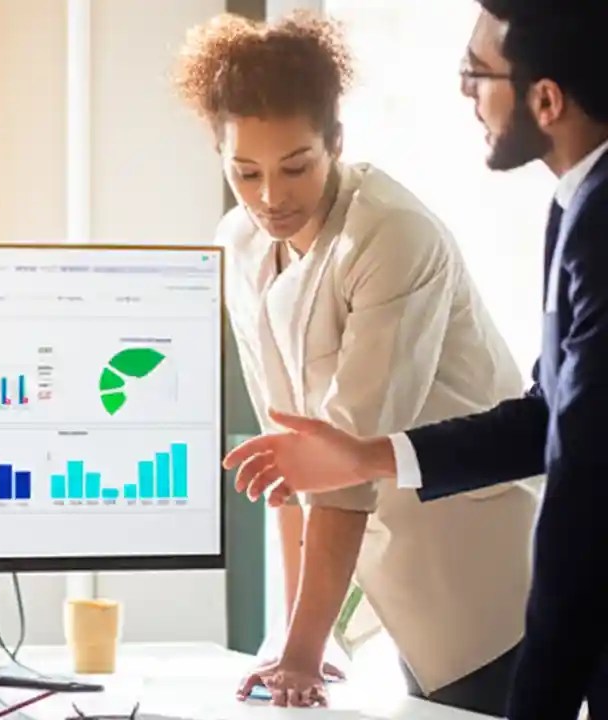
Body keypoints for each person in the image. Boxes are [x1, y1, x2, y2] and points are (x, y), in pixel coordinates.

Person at [223, 4, 608, 718]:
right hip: (394, 569)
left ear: (547, 98)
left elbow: (582, 477)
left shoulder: (397, 235)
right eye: (245, 172)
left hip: (475, 578)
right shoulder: (575, 206)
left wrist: (309, 643)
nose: (270, 197)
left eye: (475, 72)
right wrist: (297, 633)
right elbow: (543, 418)